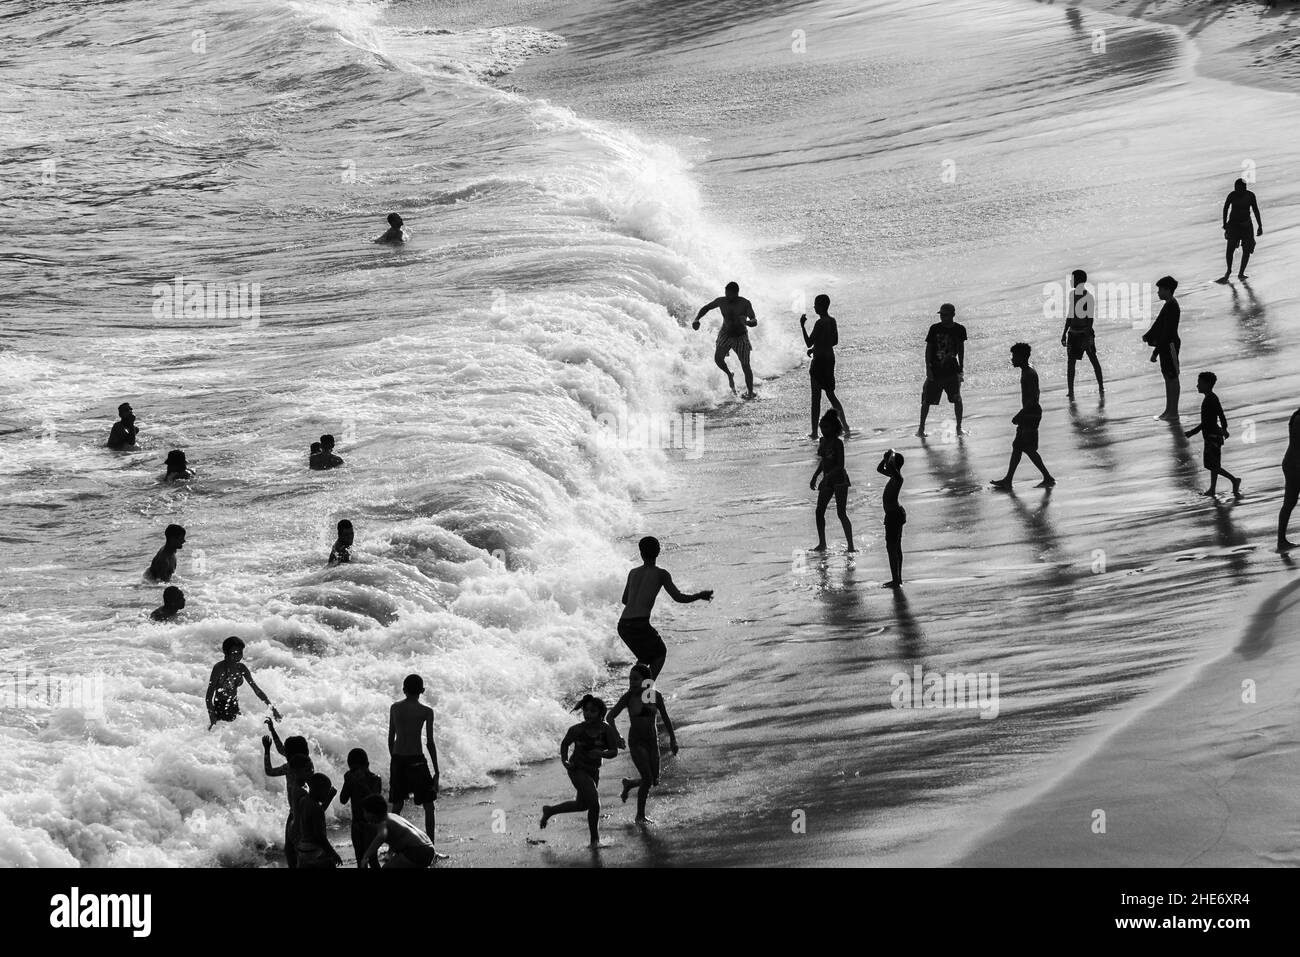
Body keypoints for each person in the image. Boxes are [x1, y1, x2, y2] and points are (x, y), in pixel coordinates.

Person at [618, 536, 713, 680]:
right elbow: (678, 597)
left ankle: (635, 691)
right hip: (640, 624)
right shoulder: (661, 573)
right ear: (659, 551)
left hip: (624, 625)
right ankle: (646, 692)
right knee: (660, 654)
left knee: (644, 658)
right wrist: (699, 595)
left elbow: (625, 600)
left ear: (641, 553)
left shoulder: (633, 572)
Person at [540, 694, 621, 847]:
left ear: (601, 714)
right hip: (577, 768)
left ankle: (550, 811)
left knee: (583, 805)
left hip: (593, 770)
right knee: (595, 804)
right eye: (586, 710)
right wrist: (564, 761)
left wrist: (601, 753)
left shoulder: (606, 730)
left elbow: (614, 751)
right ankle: (595, 841)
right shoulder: (577, 730)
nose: (588, 714)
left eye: (593, 711)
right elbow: (565, 744)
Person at [607, 665, 677, 824]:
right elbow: (610, 717)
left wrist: (673, 739)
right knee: (647, 778)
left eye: (636, 678)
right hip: (637, 742)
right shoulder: (628, 697)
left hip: (652, 741)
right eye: (630, 678)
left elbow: (665, 718)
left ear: (647, 681)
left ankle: (630, 783)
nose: (631, 682)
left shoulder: (654, 696)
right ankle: (640, 816)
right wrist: (617, 737)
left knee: (653, 781)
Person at [992, 343, 1055, 489]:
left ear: (1021, 357)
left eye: (1014, 356)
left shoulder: (1029, 374)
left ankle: (1048, 477)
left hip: (1031, 414)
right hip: (1029, 412)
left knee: (1028, 448)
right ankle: (1008, 480)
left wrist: (1020, 415)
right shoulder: (1026, 371)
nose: (1012, 359)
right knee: (1017, 446)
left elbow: (1033, 399)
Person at [388, 674, 439, 846]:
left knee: (397, 806)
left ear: (404, 689)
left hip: (398, 759)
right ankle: (430, 847)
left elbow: (391, 737)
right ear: (422, 691)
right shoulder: (426, 711)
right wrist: (436, 770)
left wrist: (394, 760)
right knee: (428, 806)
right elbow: (430, 742)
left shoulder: (394, 708)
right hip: (417, 761)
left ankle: (392, 849)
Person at [692, 281, 758, 398]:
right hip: (726, 334)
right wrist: (697, 319)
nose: (727, 297)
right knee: (718, 359)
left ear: (737, 293)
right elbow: (707, 308)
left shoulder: (745, 303)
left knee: (745, 365)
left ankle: (750, 392)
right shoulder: (721, 301)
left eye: (730, 295)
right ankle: (729, 374)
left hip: (740, 336)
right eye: (726, 294)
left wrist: (747, 322)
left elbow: (754, 320)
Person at [1184, 372, 1242, 498]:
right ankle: (1212, 489)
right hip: (1214, 436)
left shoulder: (1210, 399)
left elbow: (1208, 422)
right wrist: (1224, 429)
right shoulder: (1212, 398)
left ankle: (1234, 480)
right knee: (1214, 465)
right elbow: (1220, 415)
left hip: (1212, 437)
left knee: (1211, 465)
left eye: (1200, 383)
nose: (1197, 385)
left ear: (1207, 384)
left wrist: (1192, 432)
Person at [206, 635, 282, 729]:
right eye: (234, 653)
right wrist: (212, 717)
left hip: (234, 705)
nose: (237, 656)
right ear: (226, 652)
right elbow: (209, 697)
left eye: (239, 653)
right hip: (219, 708)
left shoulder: (241, 668)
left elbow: (257, 690)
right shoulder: (219, 668)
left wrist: (273, 709)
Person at [263, 721, 311, 868]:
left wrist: (266, 751)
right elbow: (281, 749)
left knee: (293, 851)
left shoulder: (290, 767)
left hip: (297, 813)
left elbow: (269, 771)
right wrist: (273, 730)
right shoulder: (306, 764)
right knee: (294, 850)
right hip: (303, 810)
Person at [800, 295, 849, 438]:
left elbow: (809, 342)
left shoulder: (820, 323)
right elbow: (833, 341)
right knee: (831, 395)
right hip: (829, 360)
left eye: (816, 305)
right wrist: (816, 349)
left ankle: (815, 432)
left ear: (821, 306)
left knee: (816, 399)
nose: (814, 307)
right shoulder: (832, 321)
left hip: (819, 363)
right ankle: (845, 426)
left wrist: (802, 326)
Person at [916, 303, 966, 438]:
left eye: (945, 315)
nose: (942, 317)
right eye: (941, 315)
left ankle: (959, 428)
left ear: (953, 315)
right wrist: (928, 368)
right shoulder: (934, 328)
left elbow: (961, 349)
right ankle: (921, 429)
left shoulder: (960, 329)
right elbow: (929, 349)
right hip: (935, 372)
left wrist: (961, 367)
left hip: (952, 371)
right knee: (926, 400)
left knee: (957, 399)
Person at [810, 408, 855, 552]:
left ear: (834, 427)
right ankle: (822, 543)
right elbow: (823, 461)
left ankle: (851, 546)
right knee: (819, 511)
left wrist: (827, 477)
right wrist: (816, 476)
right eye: (821, 427)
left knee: (841, 513)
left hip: (839, 479)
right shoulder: (822, 441)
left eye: (826, 427)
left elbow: (840, 465)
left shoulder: (838, 443)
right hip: (827, 479)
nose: (823, 430)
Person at [1142, 276, 1181, 421]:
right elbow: (1158, 324)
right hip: (1165, 345)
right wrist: (1148, 335)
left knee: (1172, 377)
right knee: (1167, 377)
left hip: (1170, 345)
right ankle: (1169, 410)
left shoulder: (1172, 306)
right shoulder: (1168, 304)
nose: (1158, 292)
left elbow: (1167, 332)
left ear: (1167, 290)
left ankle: (1174, 412)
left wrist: (1155, 351)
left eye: (1160, 290)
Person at [359, 795, 436, 868]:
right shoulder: (392, 816)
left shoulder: (382, 822)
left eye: (365, 812)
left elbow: (381, 836)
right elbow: (400, 838)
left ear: (373, 812)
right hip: (429, 848)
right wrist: (390, 854)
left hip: (417, 851)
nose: (363, 815)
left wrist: (366, 856)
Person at [1060, 269, 1103, 399]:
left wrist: (1087, 335)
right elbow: (1070, 314)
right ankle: (1070, 391)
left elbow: (1090, 319)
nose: (1070, 281)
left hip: (1085, 332)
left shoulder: (1088, 297)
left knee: (1093, 359)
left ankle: (1101, 386)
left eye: (1072, 279)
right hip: (1073, 332)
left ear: (1078, 281)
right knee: (1071, 363)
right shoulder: (1072, 295)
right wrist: (1064, 333)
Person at [340, 748, 384, 868]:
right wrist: (347, 782)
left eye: (357, 769)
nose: (355, 773)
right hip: (356, 823)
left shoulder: (375, 779)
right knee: (360, 859)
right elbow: (343, 800)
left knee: (371, 858)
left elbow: (375, 802)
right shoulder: (351, 779)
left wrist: (362, 783)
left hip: (371, 825)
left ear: (367, 765)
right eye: (352, 770)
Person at [1217, 178, 1263, 283]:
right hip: (1233, 225)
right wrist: (1224, 223)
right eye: (1236, 188)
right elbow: (1225, 208)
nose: (1238, 191)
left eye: (1240, 189)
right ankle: (1228, 270)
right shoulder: (1232, 195)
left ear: (1245, 188)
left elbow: (1255, 210)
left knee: (1247, 249)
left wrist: (1260, 226)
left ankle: (1241, 273)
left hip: (1247, 225)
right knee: (1230, 249)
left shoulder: (1250, 196)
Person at [295, 773, 343, 869]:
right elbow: (319, 836)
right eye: (326, 790)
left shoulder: (304, 800)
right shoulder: (316, 808)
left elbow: (314, 816)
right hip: (313, 850)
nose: (327, 793)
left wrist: (329, 798)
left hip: (302, 848)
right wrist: (333, 853)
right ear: (319, 790)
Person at [877, 450, 906, 587]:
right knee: (895, 547)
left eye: (889, 463)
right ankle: (897, 579)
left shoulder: (898, 477)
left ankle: (896, 579)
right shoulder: (893, 476)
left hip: (894, 515)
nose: (887, 466)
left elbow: (890, 464)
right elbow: (879, 469)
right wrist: (885, 458)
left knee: (892, 547)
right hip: (892, 514)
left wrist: (892, 452)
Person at [1279, 409, 1300, 550]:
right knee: (1289, 502)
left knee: (1290, 502)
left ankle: (1281, 541)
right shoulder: (1299, 419)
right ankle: (1281, 541)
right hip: (1295, 465)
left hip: (1293, 463)